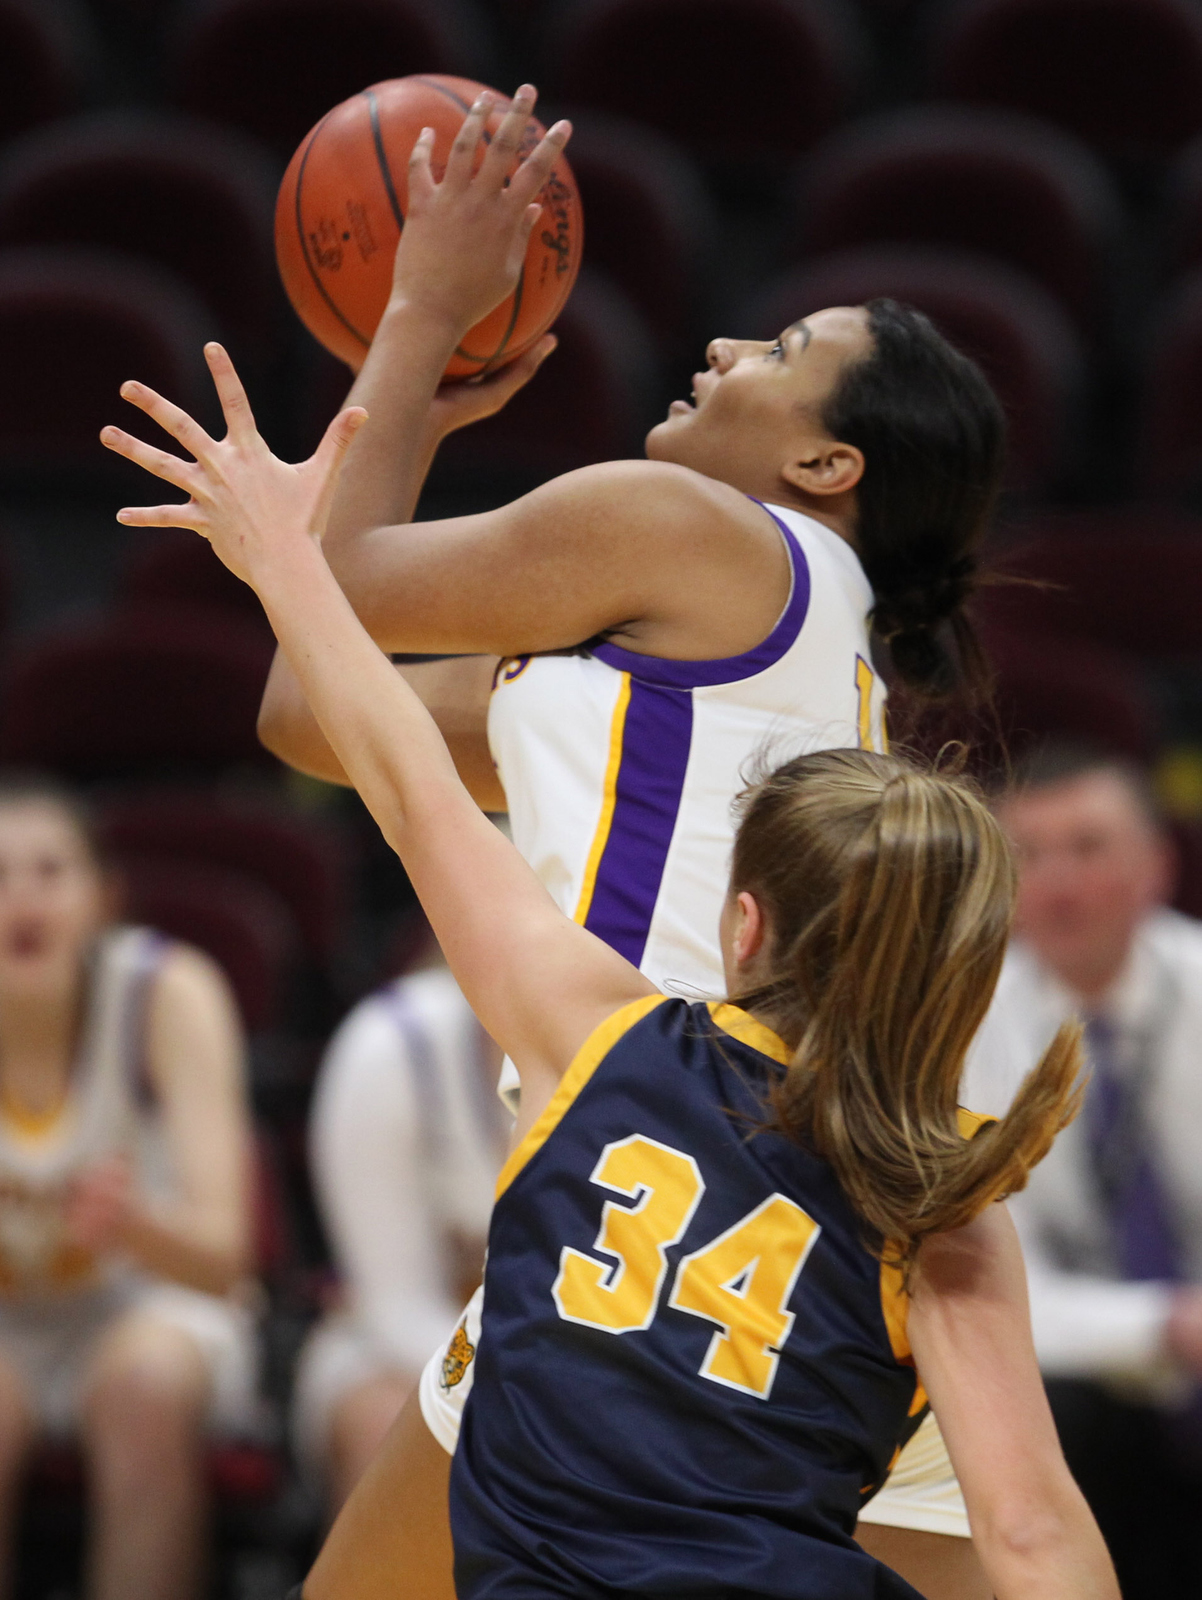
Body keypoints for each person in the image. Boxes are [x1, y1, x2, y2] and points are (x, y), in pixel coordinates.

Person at [99, 347, 1120, 1600]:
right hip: (836, 1361)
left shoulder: (610, 1041)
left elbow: (401, 783)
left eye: (790, 347)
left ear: (742, 926)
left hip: (598, 1251)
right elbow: (1037, 1536)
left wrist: (293, 529)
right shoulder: (949, 1199)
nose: (730, 352)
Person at [248, 85, 1005, 1598]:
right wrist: (403, 399)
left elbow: (305, 583)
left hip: (672, 1202)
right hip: (756, 1219)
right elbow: (309, 705)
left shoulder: (691, 530)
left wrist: (415, 321)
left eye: (782, 357)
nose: (726, 347)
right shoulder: (710, 665)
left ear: (825, 468)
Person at [0, 777, 256, 1600]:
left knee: (140, 1394)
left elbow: (226, 1261)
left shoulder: (168, 992)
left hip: (152, 1304)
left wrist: (135, 1225)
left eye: (49, 870)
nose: (22, 899)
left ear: (105, 898)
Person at [963, 743, 1202, 1599]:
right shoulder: (965, 1031)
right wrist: (1163, 1328)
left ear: (1156, 866)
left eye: (1090, 848)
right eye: (1029, 855)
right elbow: (994, 1288)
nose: (1058, 884)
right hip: (1092, 1386)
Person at [294, 932, 506, 1511]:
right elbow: (395, 1306)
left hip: (565, 1372)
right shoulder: (393, 1044)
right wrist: (529, 1396)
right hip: (390, 1347)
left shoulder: (642, 1048)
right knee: (390, 1424)